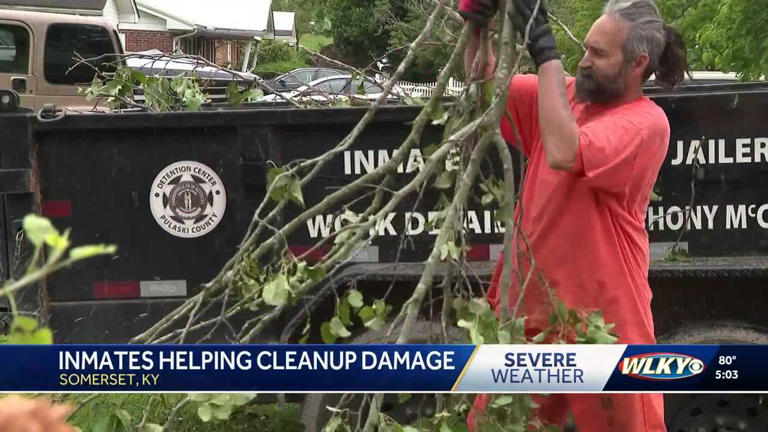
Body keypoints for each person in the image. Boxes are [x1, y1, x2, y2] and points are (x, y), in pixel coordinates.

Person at [458, 0, 688, 430]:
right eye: (585, 48)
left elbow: (566, 150)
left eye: (598, 54)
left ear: (638, 63)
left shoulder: (645, 124)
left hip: (605, 322)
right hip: (533, 313)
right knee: (493, 425)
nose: (583, 62)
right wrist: (478, 23)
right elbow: (482, 86)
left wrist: (545, 51)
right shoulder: (561, 98)